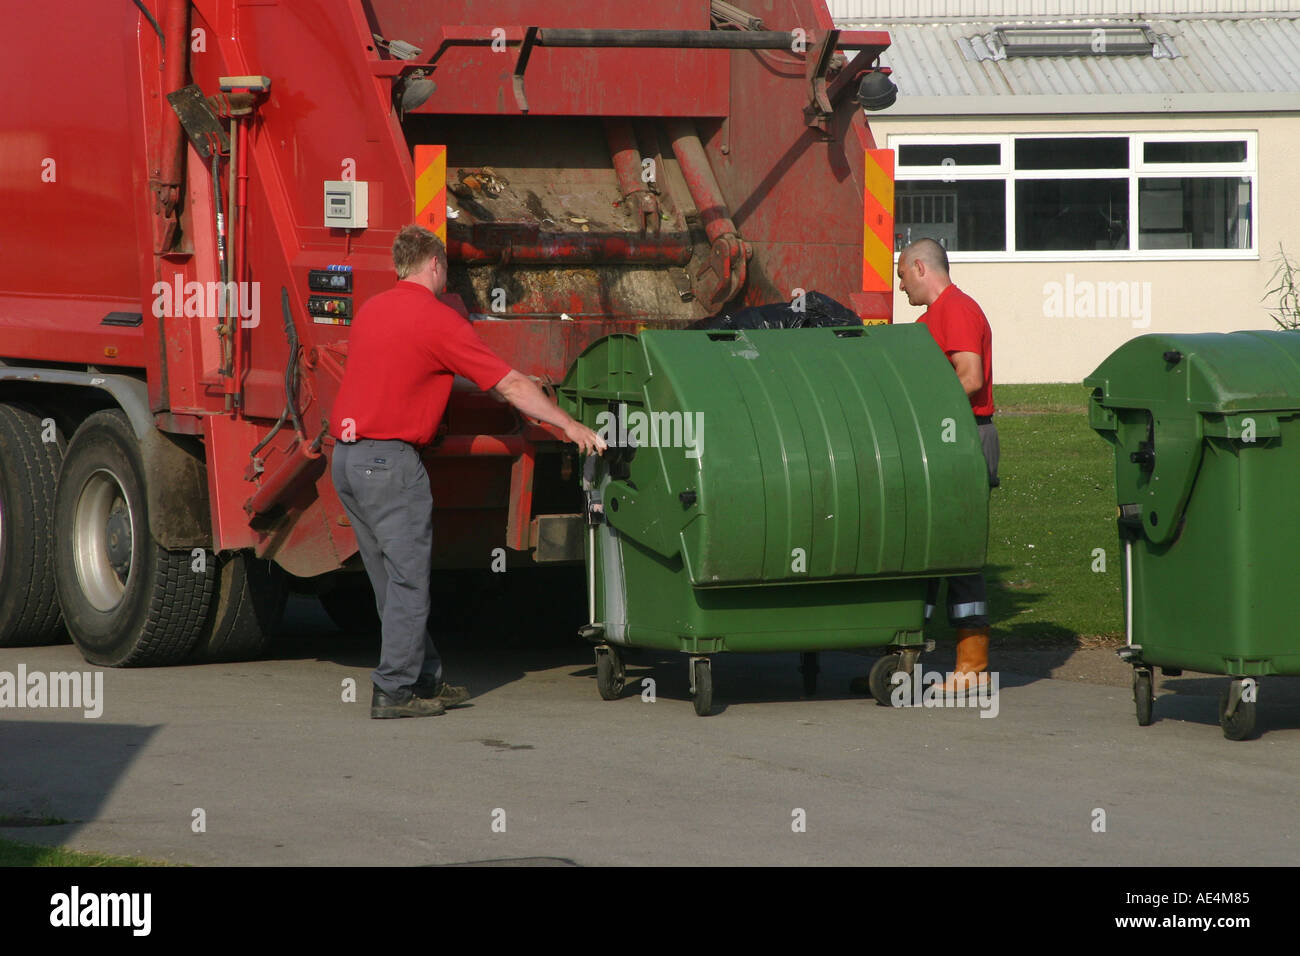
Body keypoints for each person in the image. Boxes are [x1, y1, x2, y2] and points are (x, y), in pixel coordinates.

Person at [330, 224, 607, 719]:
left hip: (347, 460)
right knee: (410, 583)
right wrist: (568, 424)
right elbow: (511, 385)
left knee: (389, 583)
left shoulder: (371, 309)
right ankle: (393, 691)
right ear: (435, 264)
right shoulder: (436, 320)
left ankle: (423, 678)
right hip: (389, 463)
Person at [895, 238, 999, 694]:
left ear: (920, 267)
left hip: (965, 439)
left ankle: (971, 669)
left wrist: (929, 411)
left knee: (957, 552)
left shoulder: (955, 309)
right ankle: (907, 663)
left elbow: (971, 378)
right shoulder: (928, 321)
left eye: (902, 276)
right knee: (926, 551)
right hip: (944, 440)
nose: (901, 287)